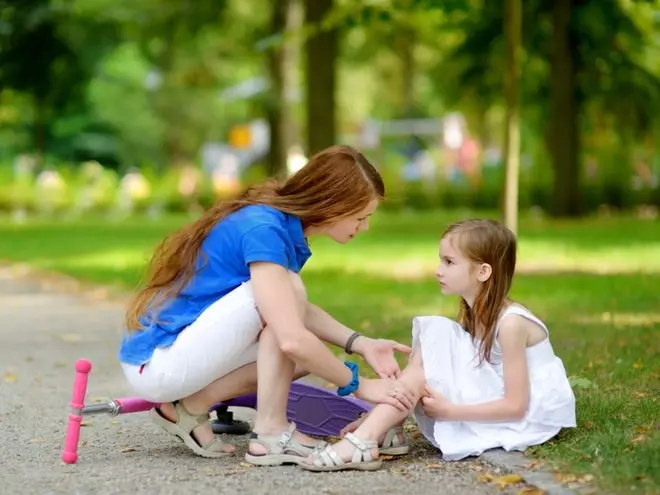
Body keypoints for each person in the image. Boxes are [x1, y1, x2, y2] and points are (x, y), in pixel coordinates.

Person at [118, 145, 416, 465]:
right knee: (292, 319)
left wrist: (361, 343)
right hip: (159, 362)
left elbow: (292, 314)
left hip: (173, 356)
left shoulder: (277, 222)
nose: (365, 226)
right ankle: (271, 434)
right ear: (332, 205)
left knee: (306, 355)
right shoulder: (265, 229)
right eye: (361, 217)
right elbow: (289, 330)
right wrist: (360, 386)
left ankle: (188, 407)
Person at [300, 219, 576, 472]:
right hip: (494, 391)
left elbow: (517, 405)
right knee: (435, 336)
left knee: (436, 337)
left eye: (449, 262)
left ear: (482, 271)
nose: (438, 270)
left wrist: (451, 412)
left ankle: (368, 437)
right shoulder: (475, 313)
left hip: (528, 414)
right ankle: (382, 427)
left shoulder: (511, 324)